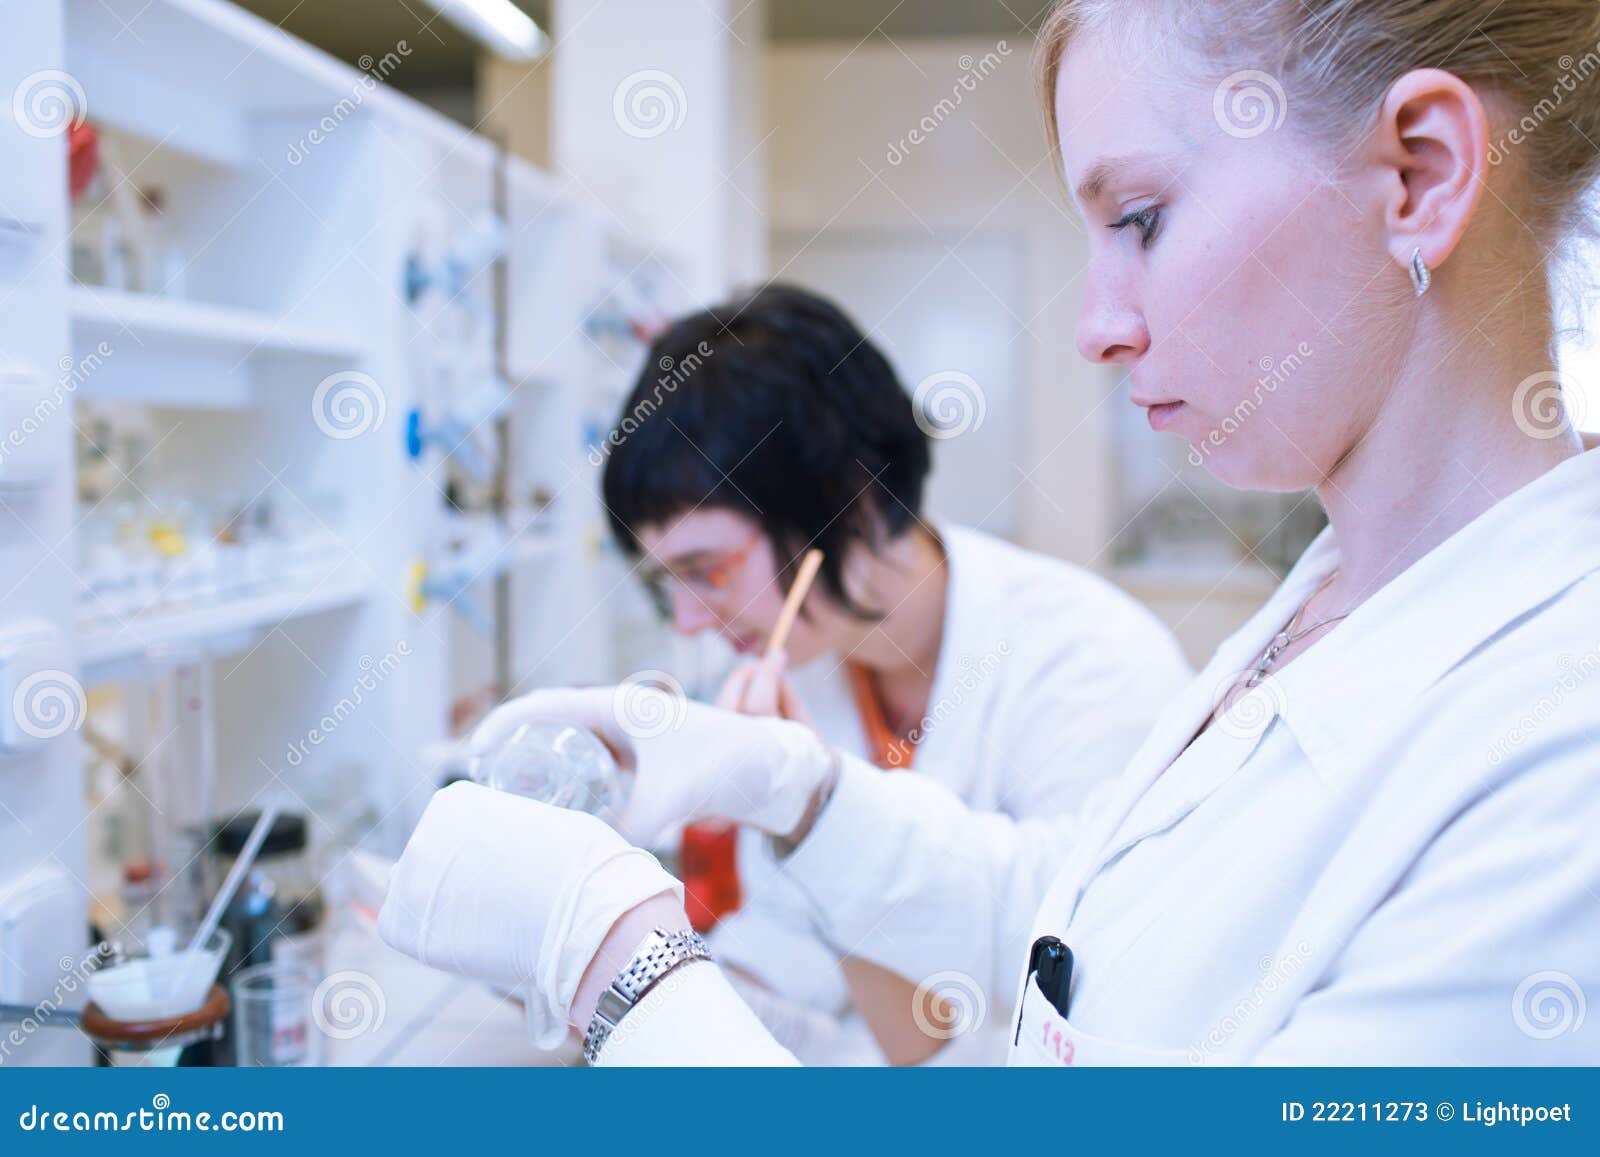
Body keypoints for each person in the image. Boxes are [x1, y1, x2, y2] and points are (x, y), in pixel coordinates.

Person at [380, 0, 1600, 1066]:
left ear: (1420, 175)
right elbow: (1063, 931)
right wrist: (792, 785)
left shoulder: (1560, 761)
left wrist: (619, 962)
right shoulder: (1332, 603)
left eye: (1140, 217)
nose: (1095, 325)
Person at [593, 283, 1191, 1064]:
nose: (687, 621)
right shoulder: (807, 666)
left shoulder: (1092, 665)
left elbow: (1054, 1000)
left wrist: (814, 814)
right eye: (663, 582)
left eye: (706, 570)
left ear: (855, 503)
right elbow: (782, 951)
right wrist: (625, 997)